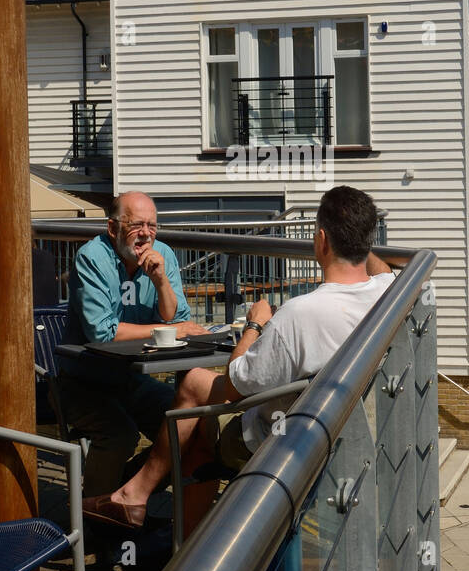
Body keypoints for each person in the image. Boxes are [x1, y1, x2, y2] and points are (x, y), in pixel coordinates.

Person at [82, 186, 393, 531]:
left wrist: (255, 324)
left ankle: (160, 522)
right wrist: (361, 241)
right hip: (332, 427)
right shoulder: (387, 293)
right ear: (365, 243)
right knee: (195, 399)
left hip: (277, 437)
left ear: (320, 241)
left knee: (196, 408)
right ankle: (148, 507)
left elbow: (234, 383)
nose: (146, 233)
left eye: (151, 225)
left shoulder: (299, 314)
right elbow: (383, 270)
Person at [59, 192, 208, 494]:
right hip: (82, 382)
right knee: (120, 435)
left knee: (188, 428)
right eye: (137, 224)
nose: (145, 234)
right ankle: (95, 521)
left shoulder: (161, 253)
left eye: (152, 225)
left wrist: (161, 281)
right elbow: (102, 333)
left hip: (131, 379)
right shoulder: (92, 257)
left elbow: (177, 317)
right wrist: (172, 330)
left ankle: (127, 494)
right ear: (113, 229)